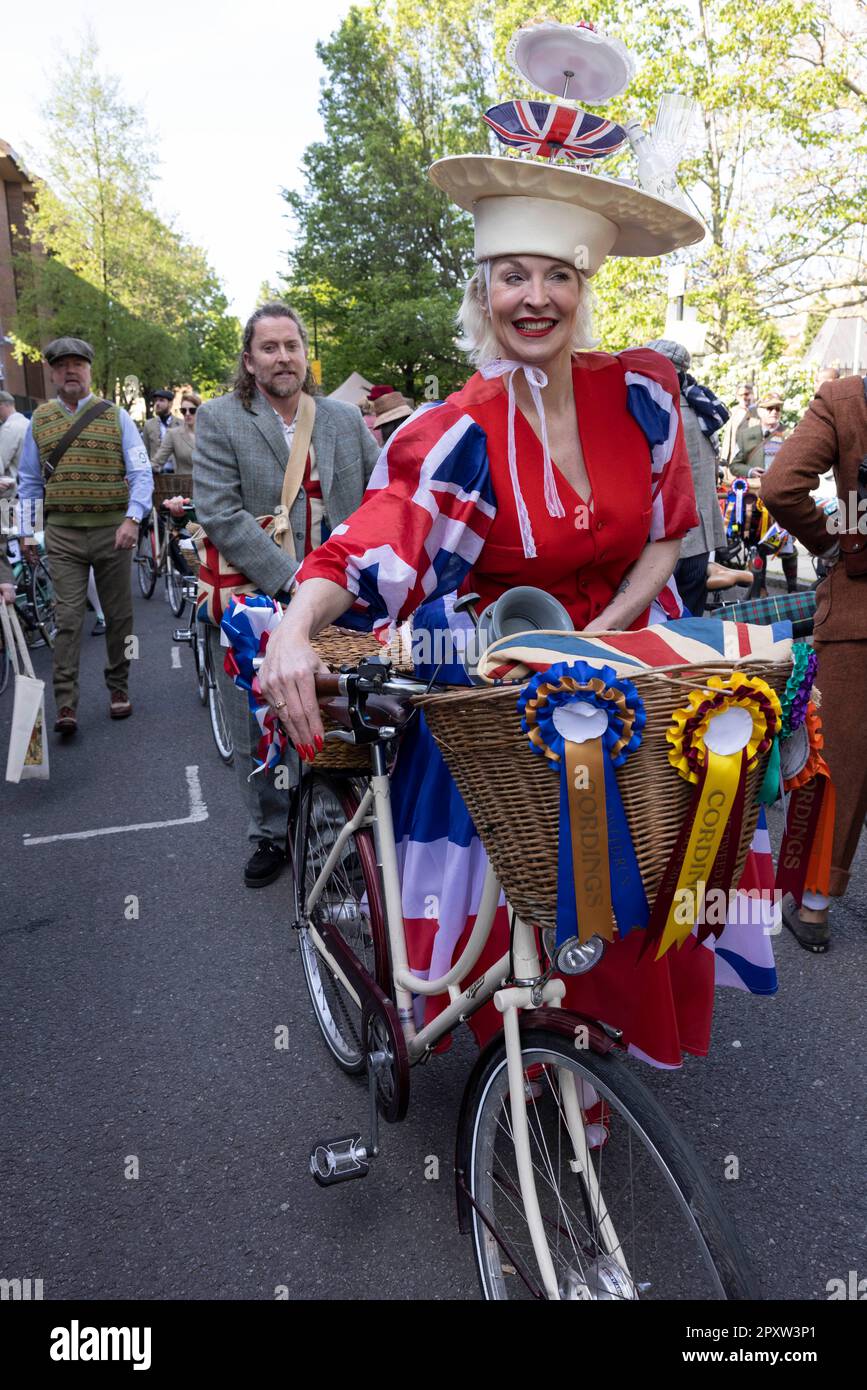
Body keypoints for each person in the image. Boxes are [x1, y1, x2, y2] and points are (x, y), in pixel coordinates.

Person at [255, 142, 782, 1071]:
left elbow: (669, 530)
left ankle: (606, 1040)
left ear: (582, 288)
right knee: (539, 881)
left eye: (555, 276)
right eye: (511, 277)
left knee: (664, 837)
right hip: (504, 683)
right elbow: (380, 537)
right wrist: (295, 628)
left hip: (621, 660)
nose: (534, 297)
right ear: (482, 290)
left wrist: (606, 635)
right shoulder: (453, 428)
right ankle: (535, 1052)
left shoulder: (642, 393)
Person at [193, 302, 380, 887]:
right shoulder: (220, 418)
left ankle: (335, 827)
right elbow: (220, 513)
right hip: (259, 594)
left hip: (338, 596)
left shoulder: (345, 420)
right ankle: (270, 834)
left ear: (306, 356)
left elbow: (382, 498)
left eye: (291, 346)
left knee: (338, 710)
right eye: (269, 348)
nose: (282, 357)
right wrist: (292, 579)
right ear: (248, 361)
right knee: (261, 720)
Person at [760, 373, 867, 952]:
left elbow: (780, 487)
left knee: (839, 761)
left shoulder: (849, 398)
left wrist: (839, 544)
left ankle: (816, 903)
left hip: (859, 612)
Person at [17, 336, 153, 735]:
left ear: (89, 369)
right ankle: (66, 703)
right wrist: (26, 533)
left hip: (114, 532)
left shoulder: (116, 417)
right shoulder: (38, 420)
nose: (70, 371)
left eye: (77, 364)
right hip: (62, 536)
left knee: (119, 618)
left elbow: (141, 473)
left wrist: (133, 519)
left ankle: (119, 686)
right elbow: (27, 480)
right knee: (69, 618)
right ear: (53, 373)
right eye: (61, 366)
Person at [646, 339, 728, 615]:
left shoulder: (654, 411)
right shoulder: (703, 411)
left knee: (658, 623)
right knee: (690, 619)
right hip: (699, 538)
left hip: (663, 538)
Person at [754, 391, 799, 593]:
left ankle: (792, 589)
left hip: (783, 499)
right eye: (769, 408)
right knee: (759, 546)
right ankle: (761, 588)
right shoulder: (747, 434)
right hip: (756, 500)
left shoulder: (790, 434)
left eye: (777, 408)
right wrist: (749, 471)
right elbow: (735, 464)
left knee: (787, 547)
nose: (774, 412)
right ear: (760, 411)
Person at [721, 380, 763, 475]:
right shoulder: (733, 412)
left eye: (747, 394)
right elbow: (727, 439)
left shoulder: (760, 412)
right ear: (737, 397)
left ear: (753, 395)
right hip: (733, 463)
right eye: (741, 395)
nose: (744, 397)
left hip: (752, 465)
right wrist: (723, 461)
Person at [153, 391, 200, 473]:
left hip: (208, 484)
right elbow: (156, 462)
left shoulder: (210, 434)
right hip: (184, 483)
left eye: (192, 410)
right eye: (184, 411)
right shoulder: (173, 434)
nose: (187, 414)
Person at [0, 390, 29, 481]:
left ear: (1, 406)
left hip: (16, 488)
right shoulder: (28, 423)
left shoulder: (8, 428)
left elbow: (1, 463)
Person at [142, 389, 176, 462]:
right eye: (156, 400)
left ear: (170, 403)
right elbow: (145, 450)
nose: (157, 403)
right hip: (156, 470)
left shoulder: (181, 424)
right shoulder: (148, 425)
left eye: (161, 400)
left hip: (177, 471)